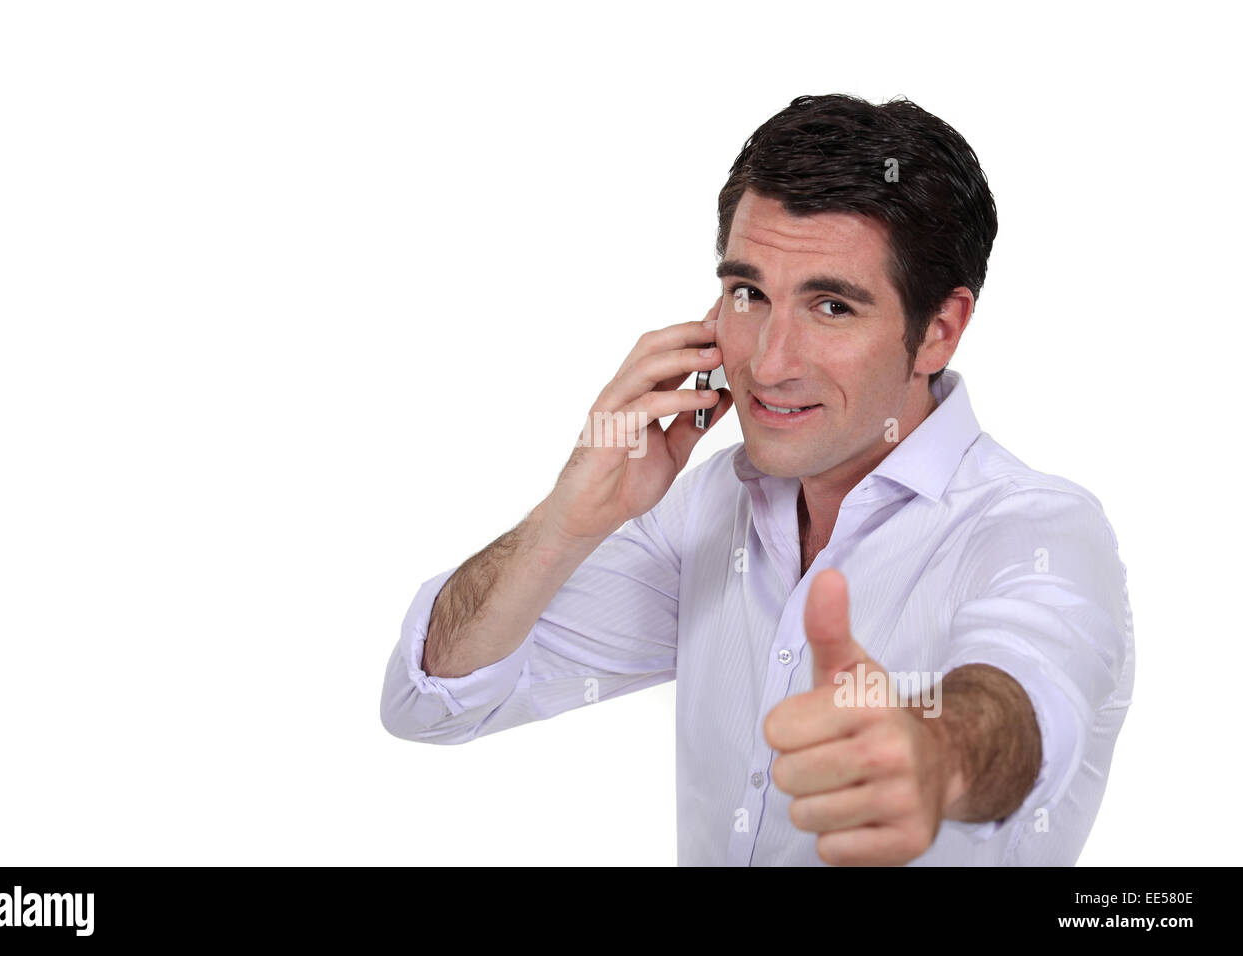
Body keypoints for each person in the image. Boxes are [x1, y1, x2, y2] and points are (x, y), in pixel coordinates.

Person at [380, 93, 1134, 866]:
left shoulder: (1039, 529)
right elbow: (432, 700)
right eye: (749, 294)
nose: (768, 363)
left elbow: (1026, 702)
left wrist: (932, 756)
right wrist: (570, 517)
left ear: (938, 330)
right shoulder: (706, 511)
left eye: (831, 306)